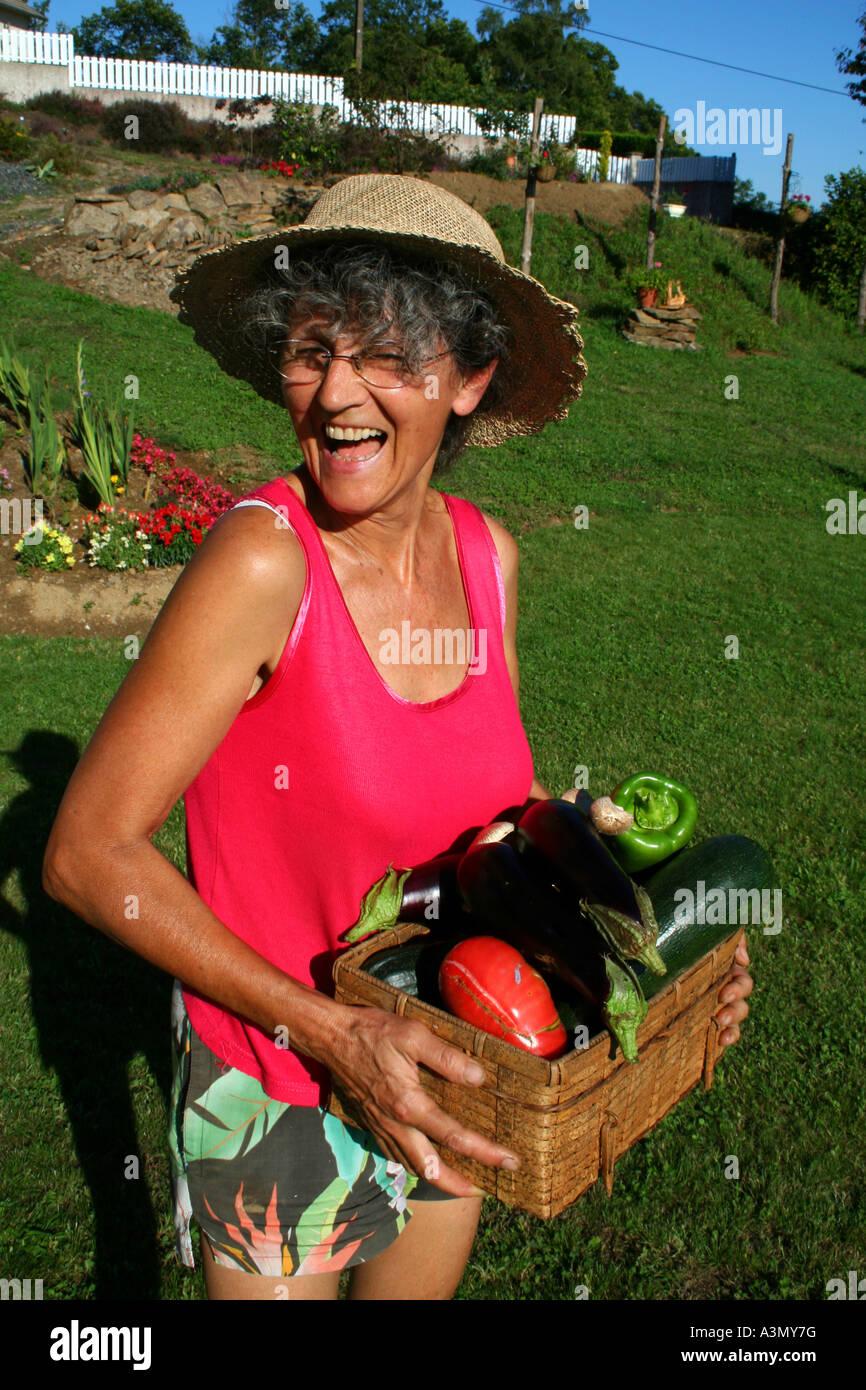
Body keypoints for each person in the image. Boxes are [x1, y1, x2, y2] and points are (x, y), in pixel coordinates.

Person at [42, 174, 753, 1301]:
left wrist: (656, 964)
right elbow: (86, 854)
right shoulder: (264, 562)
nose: (334, 393)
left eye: (386, 356)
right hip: (275, 1078)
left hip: (451, 1061)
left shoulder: (490, 559)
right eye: (311, 349)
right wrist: (330, 1031)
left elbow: (497, 841)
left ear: (468, 379)